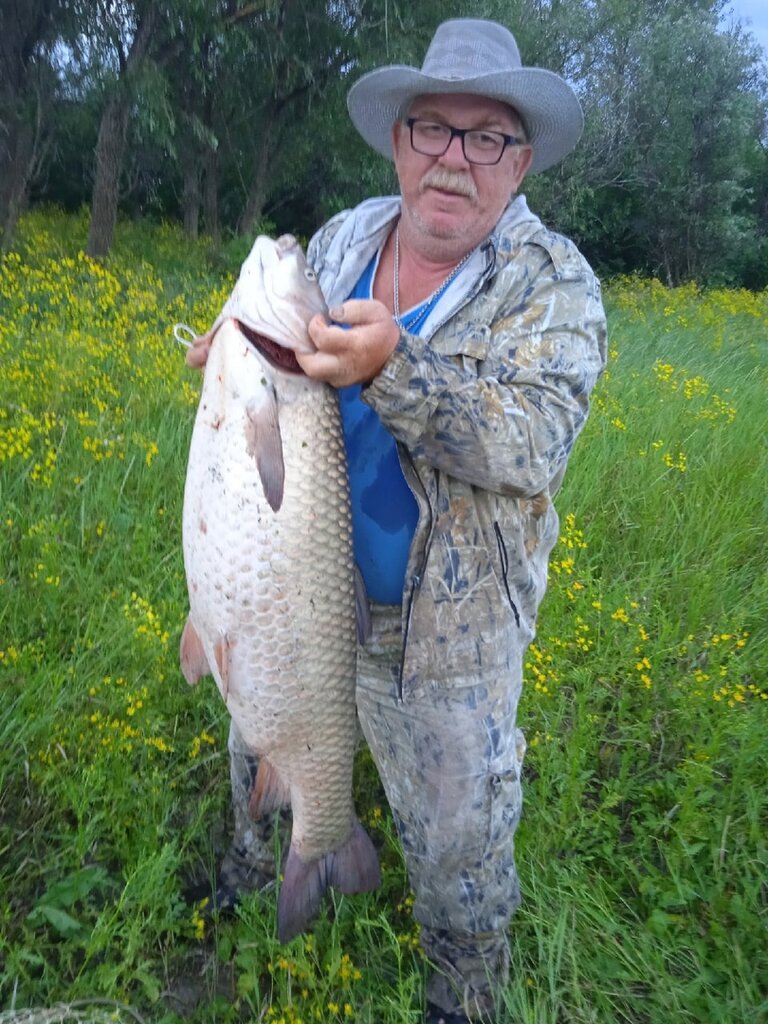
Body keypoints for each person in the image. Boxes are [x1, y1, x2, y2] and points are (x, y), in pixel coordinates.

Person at [187, 18, 607, 1024]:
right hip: (295, 594)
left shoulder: (555, 284)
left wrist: (395, 369)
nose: (453, 159)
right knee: (261, 738)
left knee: (462, 841)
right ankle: (253, 876)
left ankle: (462, 993)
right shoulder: (341, 237)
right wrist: (229, 358)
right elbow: (275, 369)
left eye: (487, 137)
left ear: (523, 159)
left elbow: (531, 442)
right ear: (398, 138)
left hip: (447, 643)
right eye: (432, 129)